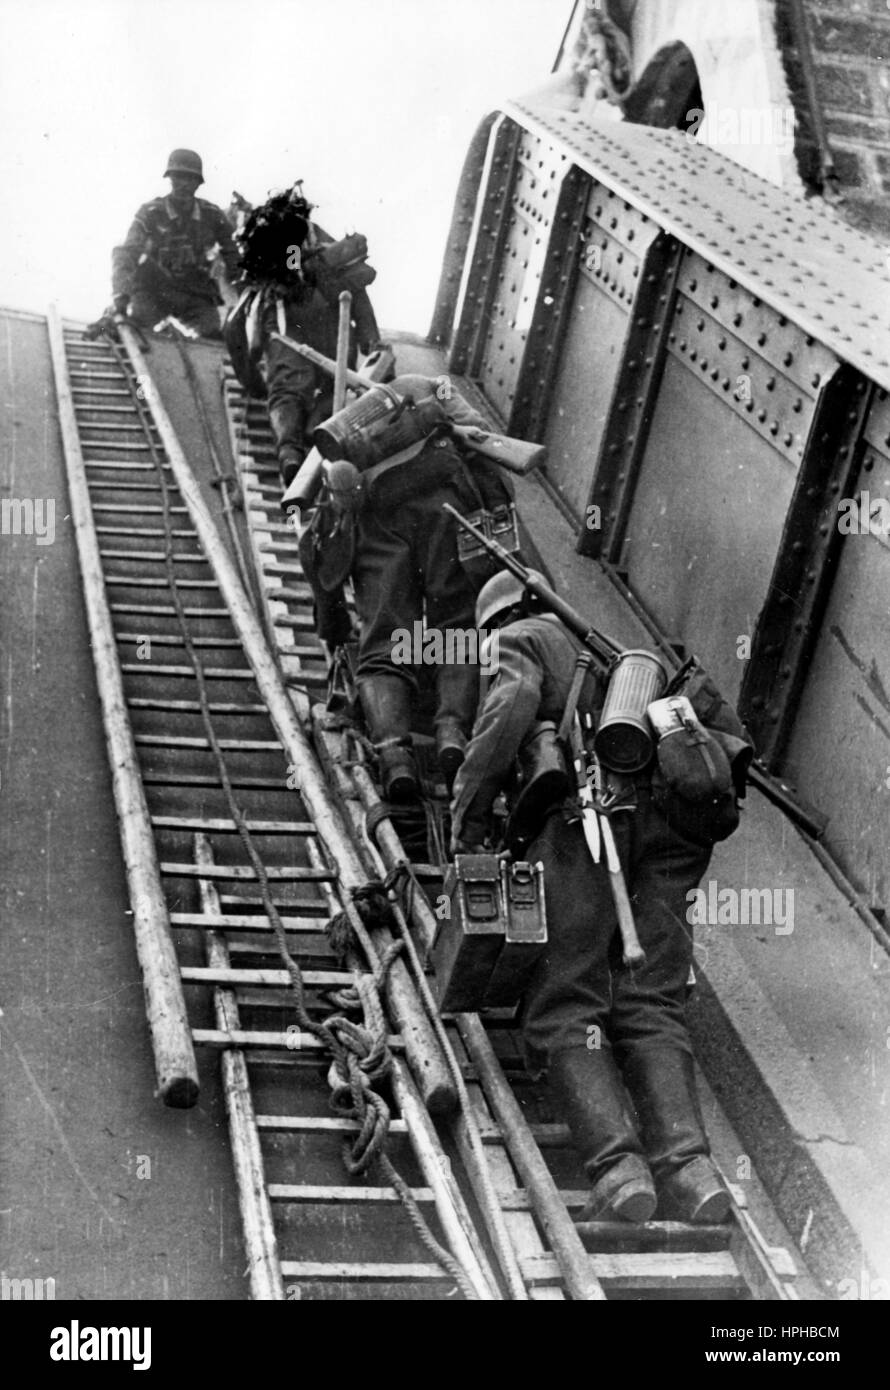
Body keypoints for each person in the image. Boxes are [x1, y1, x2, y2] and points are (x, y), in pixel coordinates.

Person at [450, 570, 754, 1225]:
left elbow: (509, 712)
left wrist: (468, 817)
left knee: (567, 998)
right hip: (675, 828)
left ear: (496, 618)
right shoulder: (618, 659)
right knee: (652, 997)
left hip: (589, 823)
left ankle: (619, 1169)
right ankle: (692, 1169)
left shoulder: (521, 639)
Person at [305, 375, 545, 802]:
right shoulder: (433, 384)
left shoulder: (345, 429)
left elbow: (327, 490)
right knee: (455, 627)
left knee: (384, 638)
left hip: (380, 521)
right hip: (444, 511)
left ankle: (394, 754)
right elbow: (484, 435)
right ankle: (452, 732)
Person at [236, 183, 387, 486]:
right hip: (305, 326)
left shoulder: (305, 249)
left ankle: (297, 447)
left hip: (304, 327)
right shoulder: (318, 247)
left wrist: (253, 371)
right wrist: (371, 341)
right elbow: (355, 295)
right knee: (322, 387)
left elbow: (352, 290)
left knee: (301, 390)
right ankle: (301, 446)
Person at [112, 149, 240, 339]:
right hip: (155, 290)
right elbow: (126, 252)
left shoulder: (212, 215)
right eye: (179, 177)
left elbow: (233, 253)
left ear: (198, 183)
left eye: (191, 179)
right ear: (170, 178)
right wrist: (121, 295)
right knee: (143, 335)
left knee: (211, 338)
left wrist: (244, 288)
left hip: (195, 293)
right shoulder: (150, 212)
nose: (185, 184)